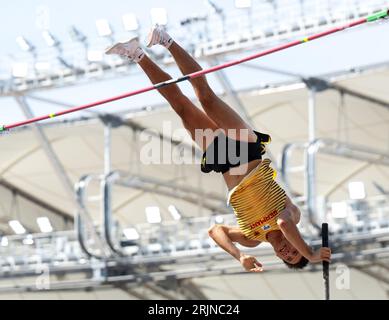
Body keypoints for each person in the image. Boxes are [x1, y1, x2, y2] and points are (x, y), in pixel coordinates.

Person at [106, 26, 331, 272]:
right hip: (246, 150)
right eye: (293, 251)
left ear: (279, 257)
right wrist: (309, 254)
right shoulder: (293, 217)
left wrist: (239, 256)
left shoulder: (252, 239)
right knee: (206, 98)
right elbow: (283, 224)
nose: (287, 252)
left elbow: (216, 231)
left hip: (222, 159)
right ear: (299, 245)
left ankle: (136, 53)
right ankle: (165, 39)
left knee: (180, 106)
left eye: (286, 257)